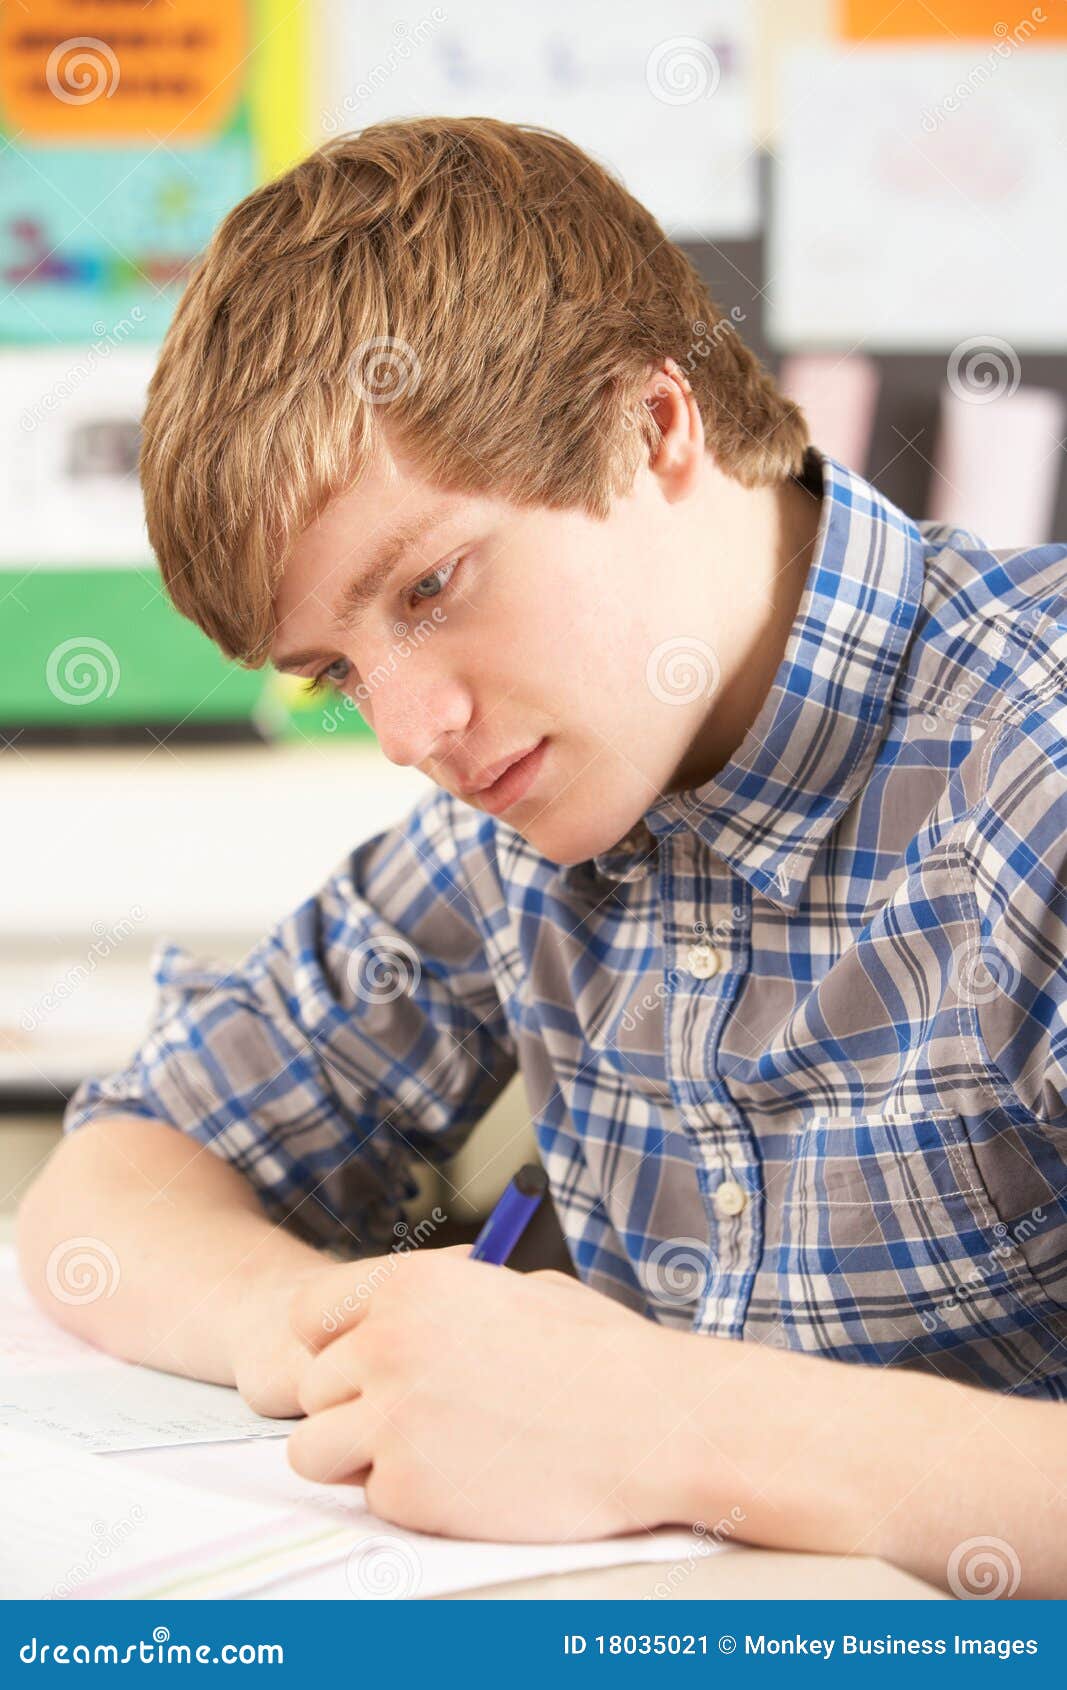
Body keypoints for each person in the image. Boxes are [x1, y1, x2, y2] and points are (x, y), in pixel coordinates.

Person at [18, 118, 1067, 1596]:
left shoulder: (1035, 765)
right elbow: (117, 1172)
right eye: (337, 672)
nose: (408, 732)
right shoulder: (530, 807)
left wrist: (669, 1423)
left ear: (653, 426)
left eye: (431, 586)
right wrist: (328, 1332)